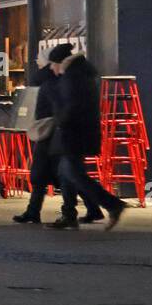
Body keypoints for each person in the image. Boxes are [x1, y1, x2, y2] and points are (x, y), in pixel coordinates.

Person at [13, 44, 100, 224]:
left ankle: (71, 212)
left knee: (65, 173)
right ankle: (88, 209)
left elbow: (65, 106)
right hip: (58, 130)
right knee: (61, 173)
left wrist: (60, 123)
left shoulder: (63, 78)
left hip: (58, 131)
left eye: (43, 63)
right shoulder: (67, 76)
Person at [49, 53, 126, 230]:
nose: (52, 68)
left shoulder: (72, 78)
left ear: (61, 63)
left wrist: (59, 117)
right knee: (66, 173)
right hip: (80, 134)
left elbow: (71, 108)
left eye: (53, 64)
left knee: (74, 174)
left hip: (74, 135)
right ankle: (70, 213)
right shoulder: (81, 75)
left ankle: (112, 204)